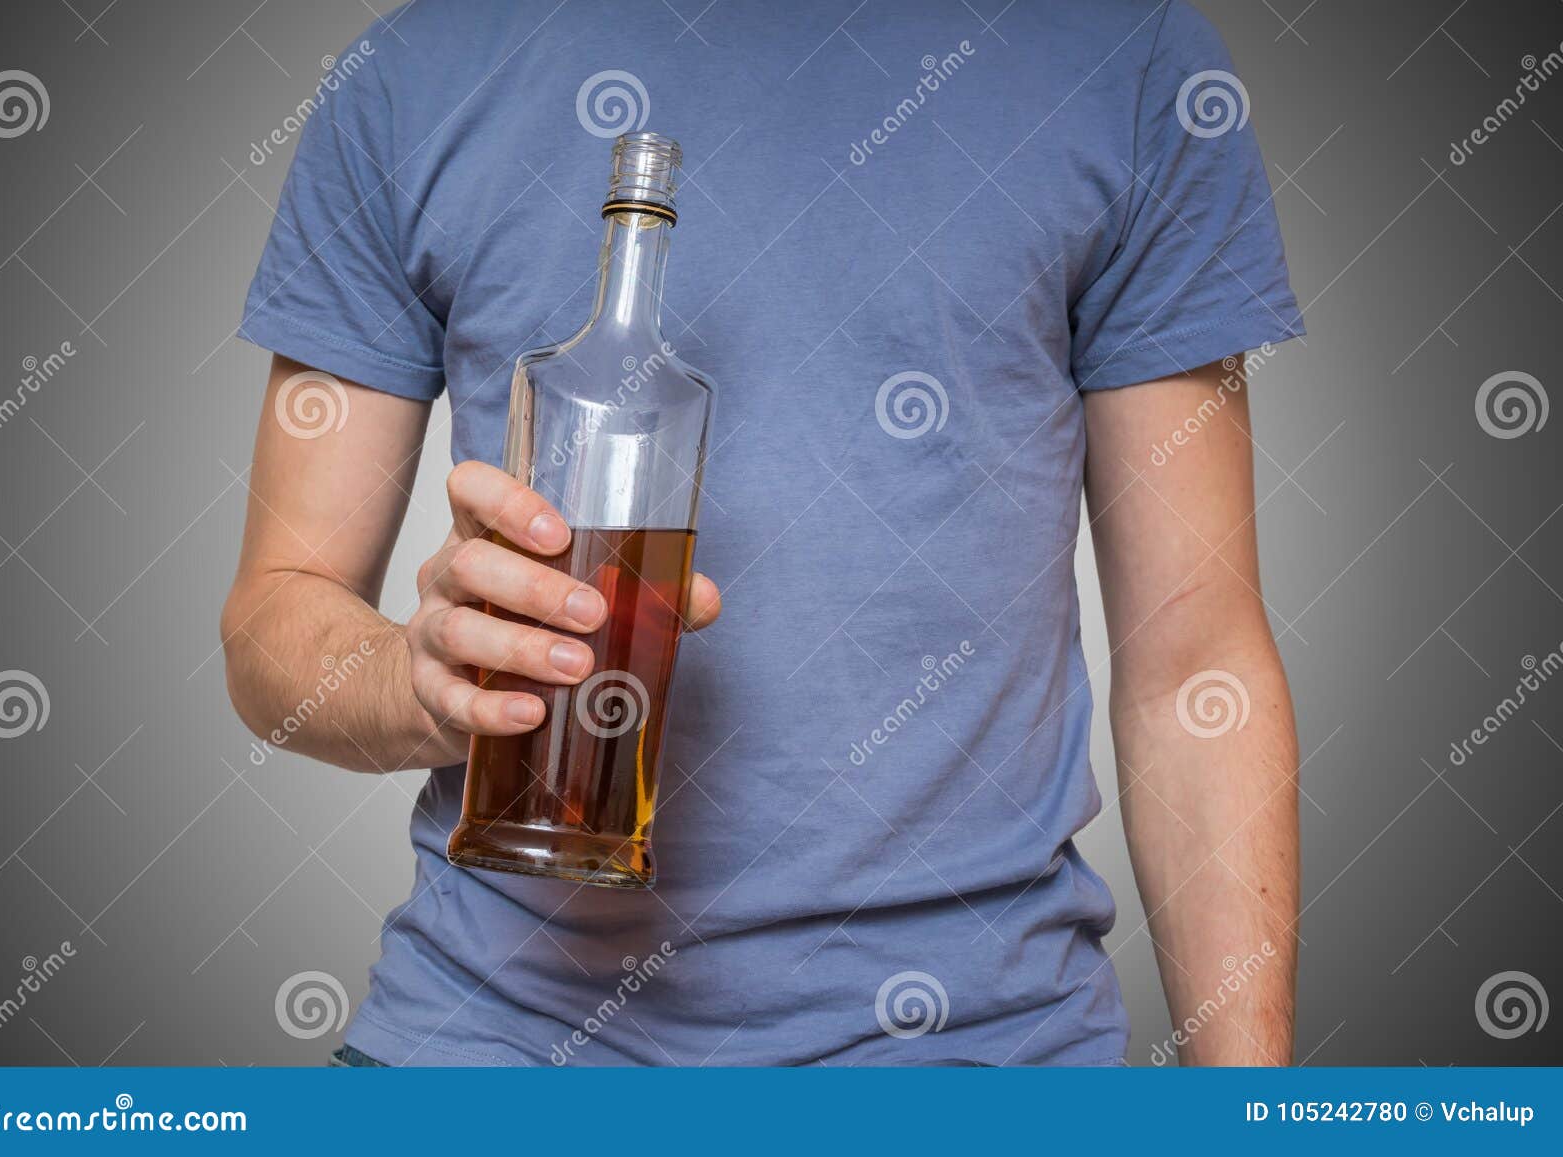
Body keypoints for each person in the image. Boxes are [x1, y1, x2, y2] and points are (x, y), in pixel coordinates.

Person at [223, 0, 1302, 1066]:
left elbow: (1193, 662)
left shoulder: (1122, 55)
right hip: (483, 1054)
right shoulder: (416, 68)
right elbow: (275, 617)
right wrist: (419, 682)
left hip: (981, 1058)